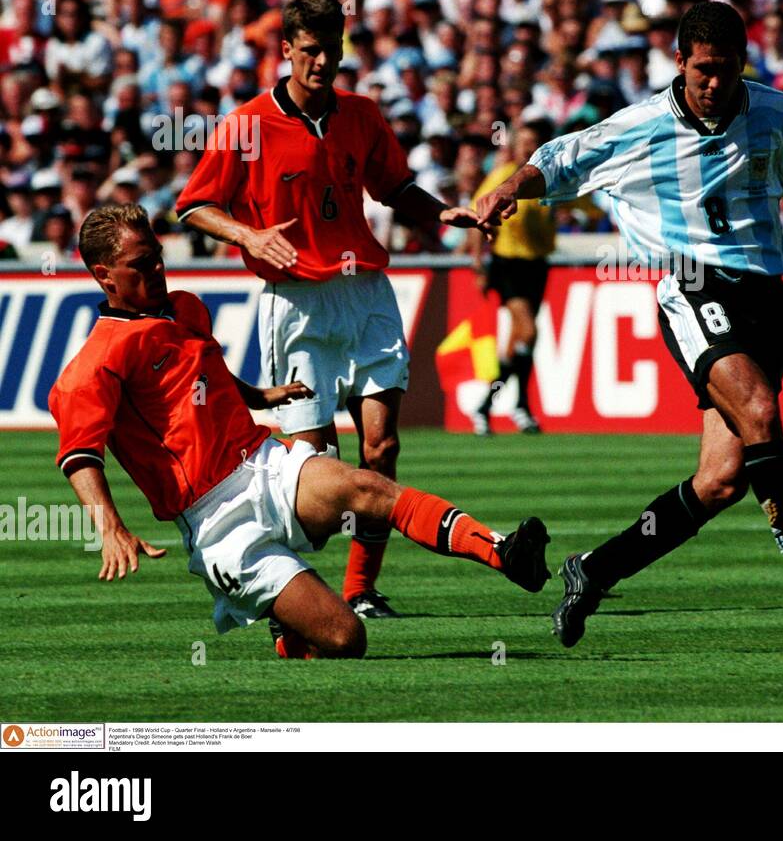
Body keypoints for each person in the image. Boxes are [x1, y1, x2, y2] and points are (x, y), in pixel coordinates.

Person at [476, 1, 783, 647]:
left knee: (720, 481)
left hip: (765, 293)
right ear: (679, 62)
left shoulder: (778, 116)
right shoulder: (641, 127)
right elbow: (562, 158)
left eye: (728, 71)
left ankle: (592, 570)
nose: (716, 84)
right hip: (690, 284)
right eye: (704, 71)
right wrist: (506, 189)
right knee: (763, 413)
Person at [50, 205, 550, 659]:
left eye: (157, 256)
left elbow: (202, 371)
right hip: (218, 522)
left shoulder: (185, 307)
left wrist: (257, 396)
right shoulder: (94, 365)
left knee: (369, 486)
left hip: (263, 465)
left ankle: (503, 551)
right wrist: (109, 525)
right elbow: (79, 456)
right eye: (140, 264)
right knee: (346, 639)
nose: (157, 269)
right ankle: (290, 630)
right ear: (104, 276)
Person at [175, 0, 489, 620]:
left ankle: (360, 590)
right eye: (310, 50)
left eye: (332, 49)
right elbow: (191, 205)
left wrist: (442, 213)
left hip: (366, 292)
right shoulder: (244, 127)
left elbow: (393, 185)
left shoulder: (362, 115)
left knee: (383, 448)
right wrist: (249, 235)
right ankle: (300, 606)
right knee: (317, 471)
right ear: (285, 50)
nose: (322, 61)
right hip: (296, 303)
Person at [465, 121, 556, 435]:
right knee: (529, 332)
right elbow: (480, 211)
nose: (530, 149)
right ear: (515, 146)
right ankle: (520, 406)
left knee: (517, 343)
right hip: (507, 263)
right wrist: (478, 264)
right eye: (525, 143)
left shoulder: (549, 176)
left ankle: (491, 406)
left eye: (535, 142)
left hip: (536, 264)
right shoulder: (504, 176)